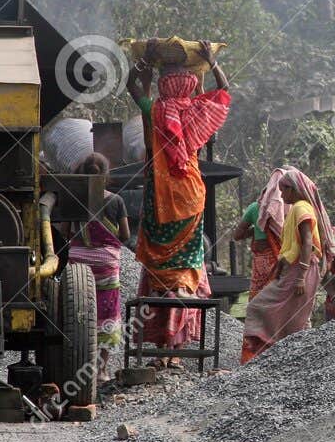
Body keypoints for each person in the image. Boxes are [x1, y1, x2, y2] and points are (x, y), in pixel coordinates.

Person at [127, 52, 231, 368]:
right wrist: (210, 63)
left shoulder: (156, 110)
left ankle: (160, 348)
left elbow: (133, 86)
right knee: (184, 270)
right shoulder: (197, 110)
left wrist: (144, 62)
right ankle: (175, 348)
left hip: (159, 198)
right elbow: (224, 93)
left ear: (163, 86)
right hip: (191, 198)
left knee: (161, 272)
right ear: (189, 87)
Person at [241, 168, 335, 362]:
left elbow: (307, 242)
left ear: (293, 189)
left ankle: (274, 357)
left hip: (302, 270)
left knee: (259, 307)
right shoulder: (299, 208)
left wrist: (300, 276)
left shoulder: (301, 208)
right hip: (295, 269)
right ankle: (285, 360)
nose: (280, 195)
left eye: (283, 190)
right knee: (290, 316)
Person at [62, 152, 131, 383]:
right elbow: (125, 235)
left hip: (78, 263)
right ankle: (100, 370)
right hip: (106, 264)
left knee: (77, 313)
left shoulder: (73, 198)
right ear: (105, 174)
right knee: (107, 313)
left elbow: (65, 232)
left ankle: (79, 368)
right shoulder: (116, 201)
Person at [231, 167, 288, 301]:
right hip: (284, 258)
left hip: (262, 259)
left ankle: (258, 318)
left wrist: (257, 227)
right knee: (278, 294)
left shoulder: (255, 208)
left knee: (260, 293)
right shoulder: (292, 209)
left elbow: (237, 235)